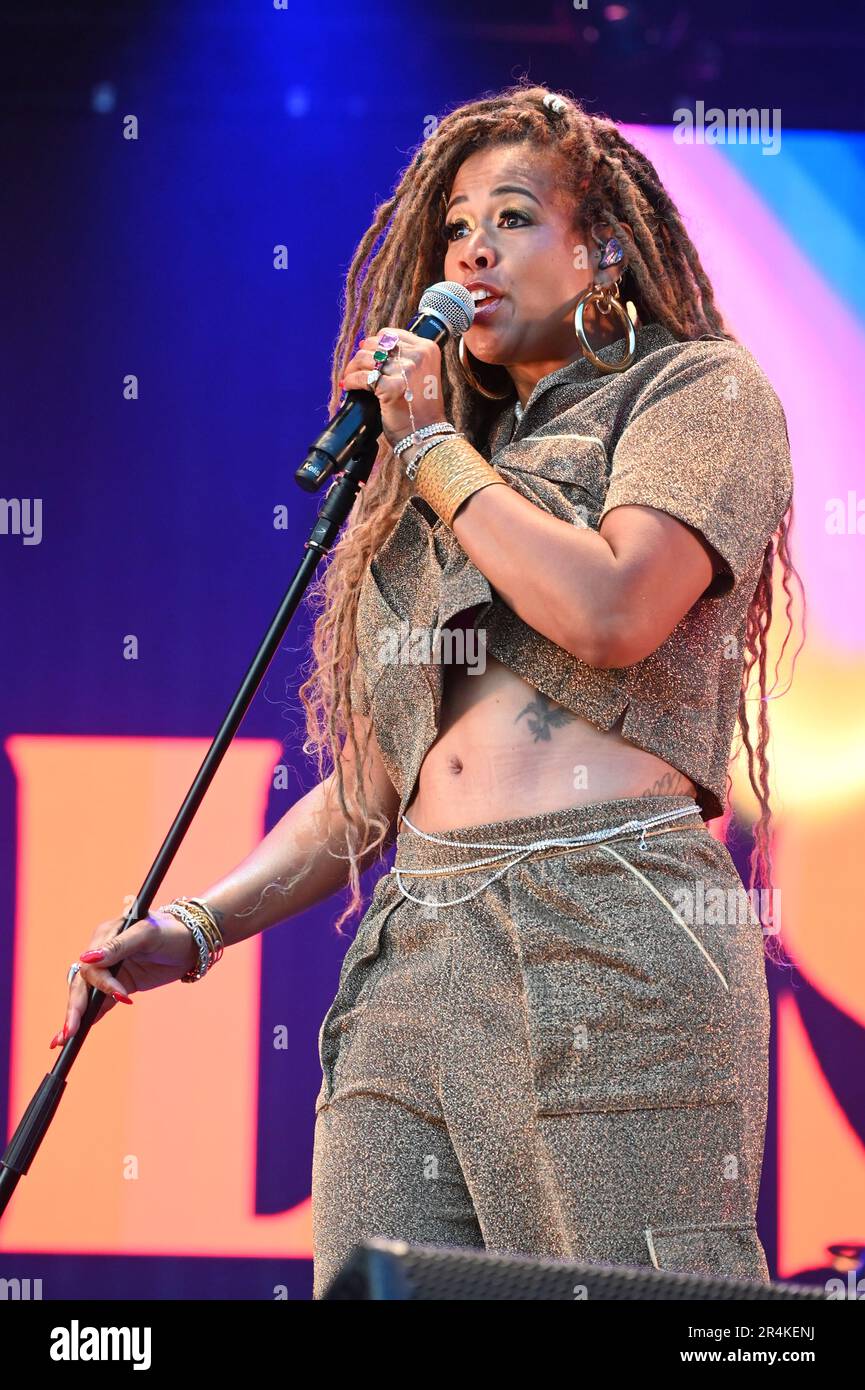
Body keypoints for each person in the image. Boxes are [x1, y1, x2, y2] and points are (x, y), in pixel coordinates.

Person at [56, 83, 802, 1299]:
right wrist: (194, 930)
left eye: (512, 218)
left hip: (607, 921)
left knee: (631, 1295)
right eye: (458, 228)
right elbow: (378, 787)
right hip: (417, 952)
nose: (471, 250)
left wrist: (429, 448)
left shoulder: (696, 391)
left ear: (602, 243)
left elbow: (612, 612)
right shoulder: (442, 465)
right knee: (379, 1285)